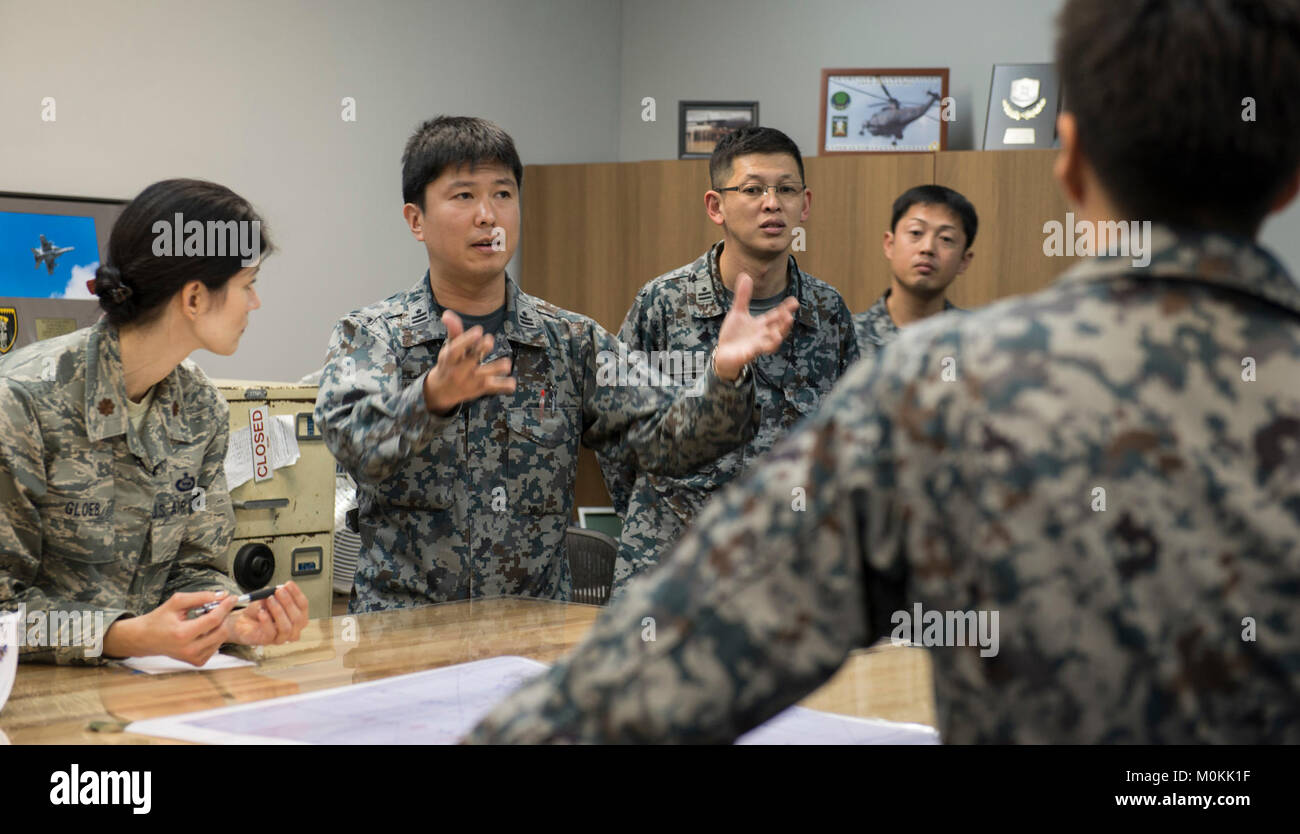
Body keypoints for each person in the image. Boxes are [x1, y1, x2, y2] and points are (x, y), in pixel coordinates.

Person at [468, 0, 1300, 743]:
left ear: (1070, 159)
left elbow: (718, 630)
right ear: (1289, 179)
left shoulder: (954, 383)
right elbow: (631, 436)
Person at [314, 116, 798, 613]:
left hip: (533, 640)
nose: (488, 216)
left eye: (503, 194)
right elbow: (353, 447)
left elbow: (671, 444)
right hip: (404, 643)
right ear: (416, 220)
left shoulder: (571, 341)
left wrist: (723, 375)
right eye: (463, 196)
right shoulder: (374, 335)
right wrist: (430, 398)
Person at [0, 179, 310, 666]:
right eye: (248, 286)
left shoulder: (201, 407)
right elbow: (2, 612)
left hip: (148, 697)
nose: (256, 304)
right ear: (193, 299)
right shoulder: (21, 402)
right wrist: (120, 636)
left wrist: (227, 618)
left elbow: (194, 568)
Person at [599, 126, 858, 594]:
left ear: (806, 203)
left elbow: (848, 440)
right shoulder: (663, 303)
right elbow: (618, 437)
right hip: (672, 568)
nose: (772, 203)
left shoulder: (827, 311)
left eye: (786, 189)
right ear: (715, 206)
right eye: (753, 189)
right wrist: (654, 521)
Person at [854, 185, 975, 360]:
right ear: (890, 245)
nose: (927, 248)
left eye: (946, 239)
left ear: (964, 260)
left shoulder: (980, 340)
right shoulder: (844, 338)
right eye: (916, 232)